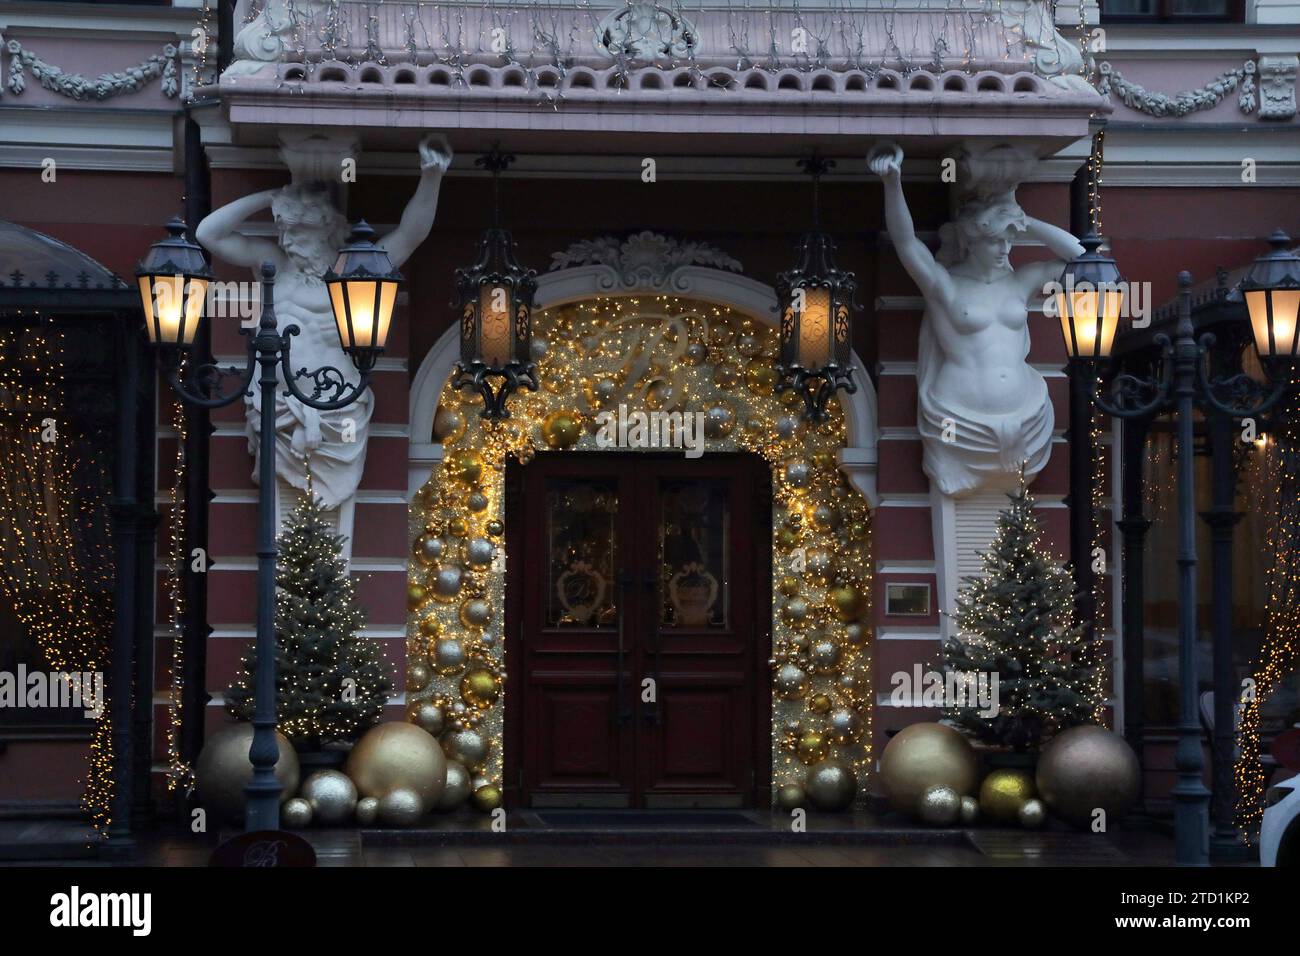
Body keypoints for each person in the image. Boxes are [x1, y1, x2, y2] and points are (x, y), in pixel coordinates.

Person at [196, 136, 452, 509]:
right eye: (284, 230)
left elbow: (412, 234)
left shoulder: (359, 270)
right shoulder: (273, 264)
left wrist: (432, 175)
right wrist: (269, 197)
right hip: (279, 406)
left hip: (339, 409)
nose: (288, 240)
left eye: (297, 232)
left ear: (326, 229)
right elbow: (208, 234)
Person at [868, 141, 1084, 497]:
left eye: (1008, 241)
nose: (1004, 250)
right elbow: (906, 244)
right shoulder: (945, 286)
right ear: (970, 240)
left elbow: (1086, 266)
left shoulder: (1023, 280)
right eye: (994, 242)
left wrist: (1027, 221)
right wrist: (893, 182)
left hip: (1027, 419)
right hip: (956, 420)